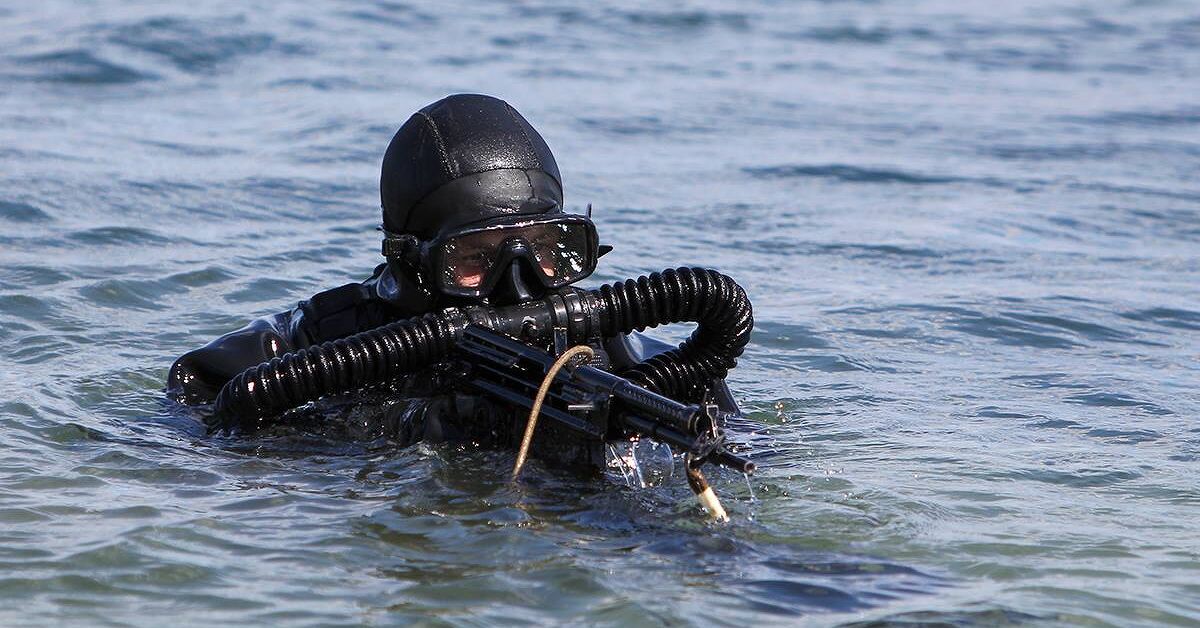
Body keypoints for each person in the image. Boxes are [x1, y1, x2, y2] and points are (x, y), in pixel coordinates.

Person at [168, 93, 733, 467]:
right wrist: (415, 423)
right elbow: (191, 411)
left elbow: (736, 442)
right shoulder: (325, 337)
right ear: (409, 260)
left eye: (548, 251)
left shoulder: (603, 342)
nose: (522, 284)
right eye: (475, 256)